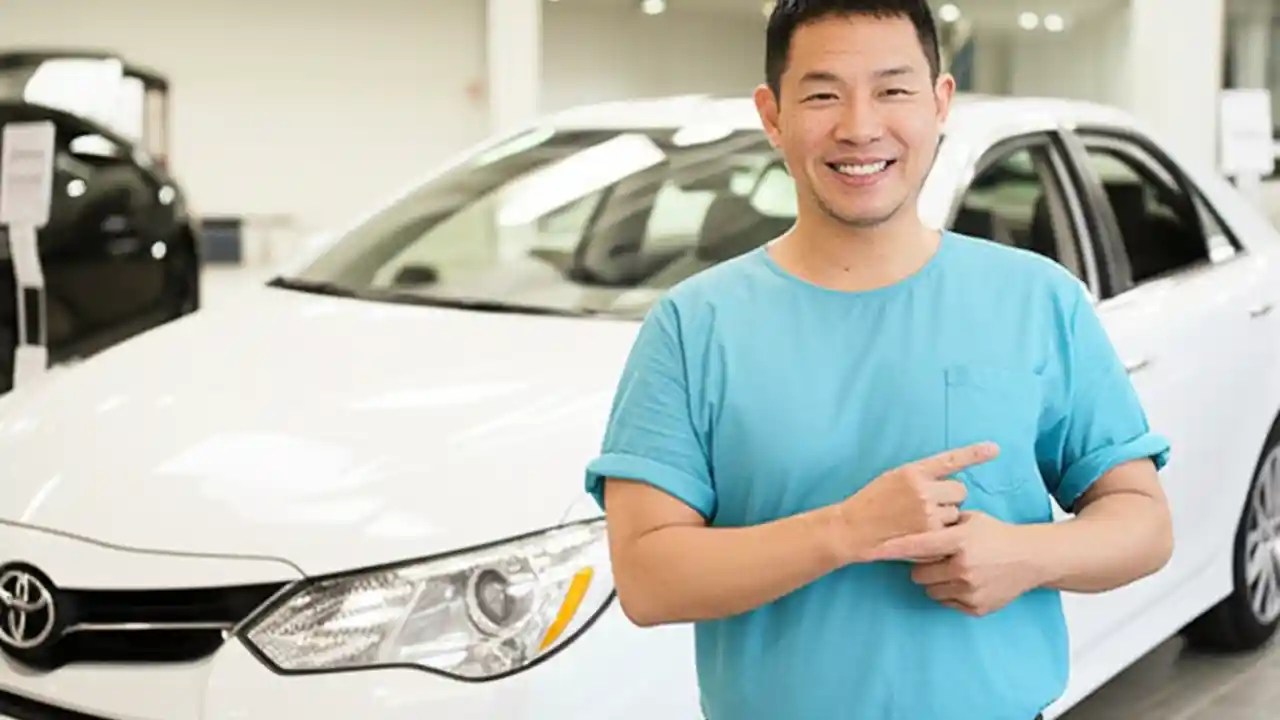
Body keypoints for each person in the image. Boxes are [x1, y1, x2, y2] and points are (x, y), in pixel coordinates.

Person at [582, 1, 1174, 718]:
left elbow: (1143, 521)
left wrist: (1032, 555)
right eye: (823, 94)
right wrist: (848, 531)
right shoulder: (693, 325)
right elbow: (648, 579)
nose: (860, 126)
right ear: (772, 115)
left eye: (892, 89)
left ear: (939, 102)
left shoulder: (1035, 299)